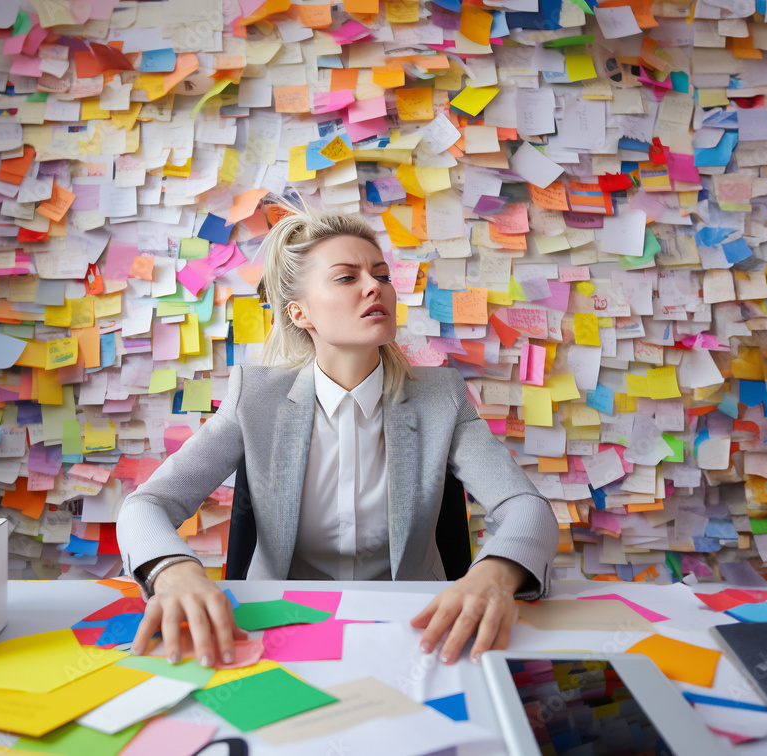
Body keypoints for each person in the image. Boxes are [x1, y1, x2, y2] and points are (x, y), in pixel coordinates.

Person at [116, 196, 559, 670]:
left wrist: (496, 573)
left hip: (411, 632)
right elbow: (146, 506)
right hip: (278, 632)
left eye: (382, 275)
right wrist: (174, 571)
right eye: (348, 278)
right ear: (300, 313)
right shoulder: (256, 397)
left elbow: (525, 508)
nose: (376, 288)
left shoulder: (440, 397)